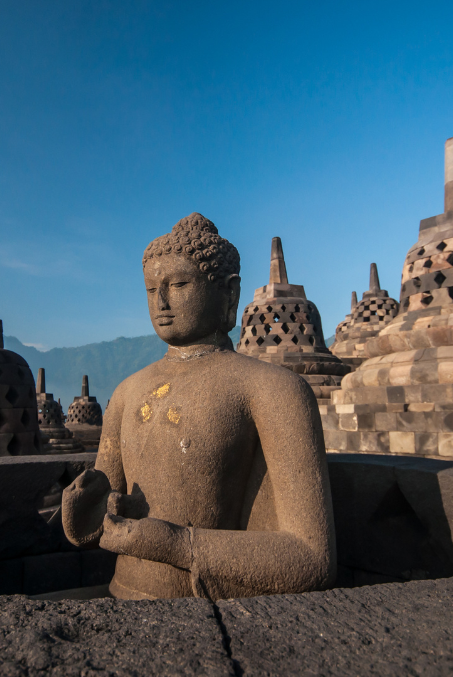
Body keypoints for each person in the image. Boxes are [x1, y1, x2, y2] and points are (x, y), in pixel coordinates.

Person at [62, 213, 336, 600]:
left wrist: (176, 545)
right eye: (151, 288)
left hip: (222, 617)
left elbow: (311, 557)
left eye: (178, 284)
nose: (161, 301)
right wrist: (87, 513)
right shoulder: (126, 393)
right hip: (119, 601)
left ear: (229, 293)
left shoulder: (273, 390)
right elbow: (103, 514)